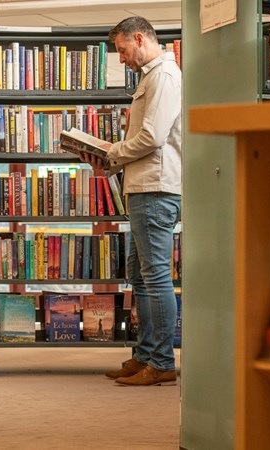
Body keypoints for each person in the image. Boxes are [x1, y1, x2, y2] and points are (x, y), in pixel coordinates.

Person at [81, 16, 182, 386]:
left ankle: (161, 362)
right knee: (140, 276)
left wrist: (111, 152)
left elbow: (152, 138)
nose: (121, 59)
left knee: (155, 278)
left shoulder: (164, 77)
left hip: (156, 189)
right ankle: (144, 356)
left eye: (122, 50)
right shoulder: (150, 78)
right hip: (142, 188)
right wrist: (110, 157)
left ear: (140, 39)